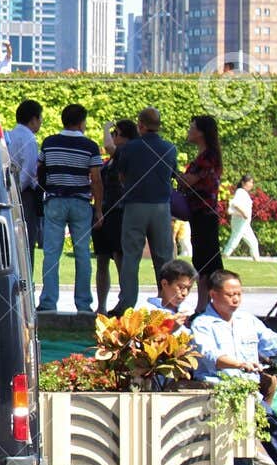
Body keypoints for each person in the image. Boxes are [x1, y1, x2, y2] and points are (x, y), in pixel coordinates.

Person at [188, 270, 277, 465]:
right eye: (230, 294)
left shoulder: (247, 321)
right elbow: (210, 355)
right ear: (213, 294)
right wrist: (239, 364)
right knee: (225, 442)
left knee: (273, 424)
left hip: (248, 393)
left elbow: (273, 342)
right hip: (218, 393)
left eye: (239, 294)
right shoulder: (202, 324)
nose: (236, 299)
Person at [36, 103, 103, 313]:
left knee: (51, 253)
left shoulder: (49, 142)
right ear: (82, 122)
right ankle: (83, 304)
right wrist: (98, 209)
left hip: (55, 200)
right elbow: (96, 179)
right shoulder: (90, 146)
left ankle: (48, 302)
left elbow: (40, 170)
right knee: (82, 254)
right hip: (81, 202)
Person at [111, 106, 178, 313]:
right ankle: (167, 303)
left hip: (134, 205)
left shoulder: (129, 148)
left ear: (140, 125)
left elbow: (121, 176)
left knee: (131, 256)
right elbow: (172, 174)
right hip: (161, 207)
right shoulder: (170, 148)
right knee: (164, 257)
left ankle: (127, 304)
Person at [180, 114, 224, 314]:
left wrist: (174, 173)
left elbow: (189, 181)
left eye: (192, 127)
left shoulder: (208, 157)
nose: (189, 131)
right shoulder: (206, 155)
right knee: (202, 259)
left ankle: (206, 306)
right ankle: (204, 305)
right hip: (201, 213)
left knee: (206, 260)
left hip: (205, 213)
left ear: (201, 132)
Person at [93, 119, 135, 314]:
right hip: (104, 210)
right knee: (102, 260)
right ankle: (101, 306)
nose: (112, 137)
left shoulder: (125, 154)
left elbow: (109, 146)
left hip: (118, 211)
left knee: (119, 258)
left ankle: (123, 304)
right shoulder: (111, 160)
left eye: (116, 134)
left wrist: (105, 128)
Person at [4, 100, 42, 253]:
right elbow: (29, 172)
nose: (40, 122)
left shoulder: (9, 135)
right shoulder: (29, 139)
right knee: (27, 239)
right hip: (24, 194)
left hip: (7, 189)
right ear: (33, 120)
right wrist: (17, 191)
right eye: (40, 118)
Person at [141, 258, 197, 326]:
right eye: (181, 287)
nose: (185, 293)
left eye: (189, 288)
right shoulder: (147, 310)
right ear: (164, 284)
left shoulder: (188, 311)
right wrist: (170, 328)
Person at [224, 174, 261, 261]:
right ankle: (225, 255)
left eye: (252, 182)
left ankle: (257, 260)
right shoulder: (240, 191)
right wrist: (243, 213)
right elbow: (235, 204)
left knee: (253, 242)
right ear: (243, 183)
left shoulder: (243, 193)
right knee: (235, 239)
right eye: (249, 182)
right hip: (239, 221)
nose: (251, 184)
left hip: (244, 223)